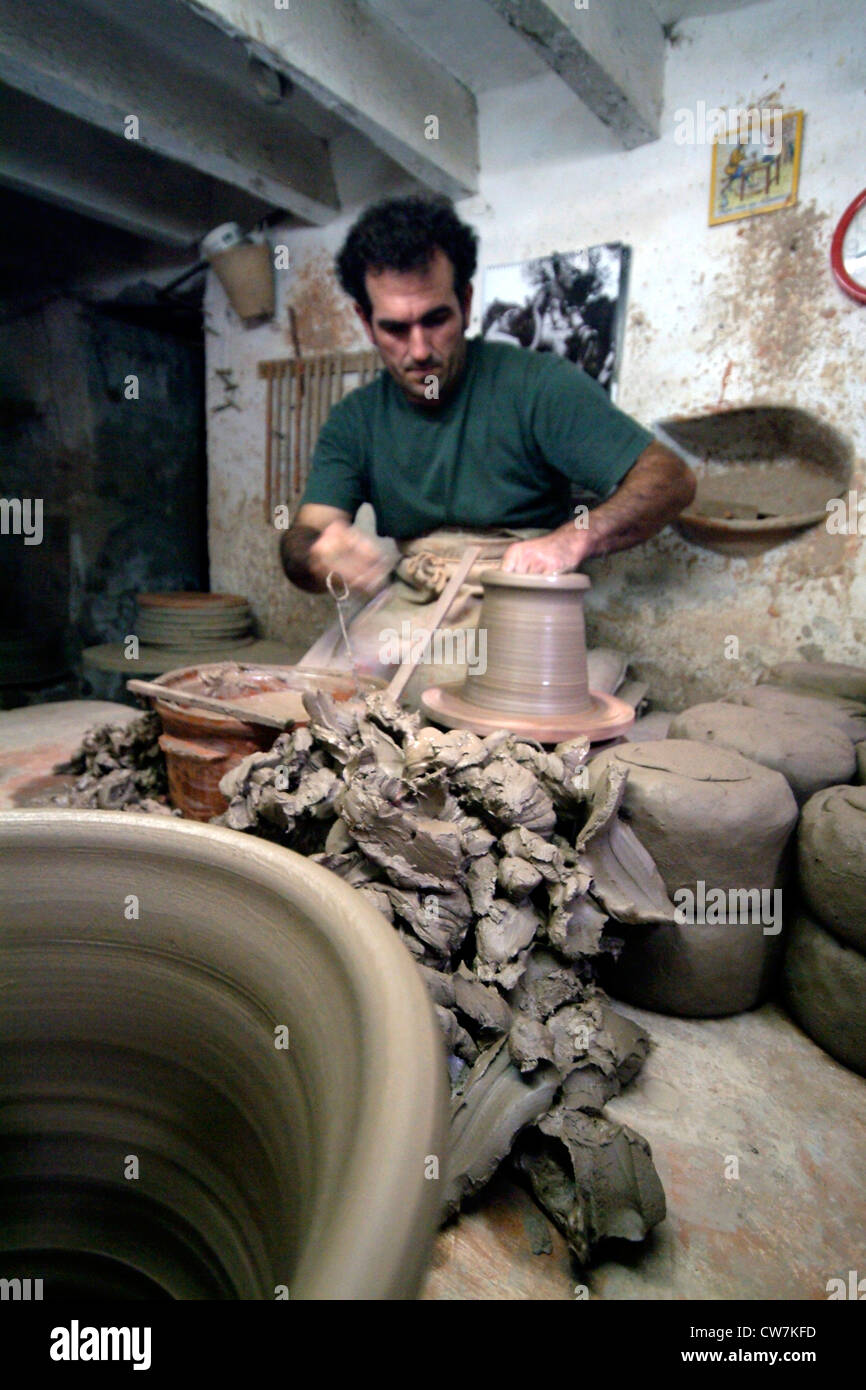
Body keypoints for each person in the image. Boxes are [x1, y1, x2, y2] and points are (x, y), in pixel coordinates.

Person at [279, 195, 694, 699]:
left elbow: (670, 477)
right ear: (366, 322)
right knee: (308, 705)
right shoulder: (355, 419)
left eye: (436, 319)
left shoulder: (538, 384)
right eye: (394, 327)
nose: (419, 349)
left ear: (467, 303)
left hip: (514, 599)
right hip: (408, 597)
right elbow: (305, 535)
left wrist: (576, 537)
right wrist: (318, 554)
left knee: (471, 741)